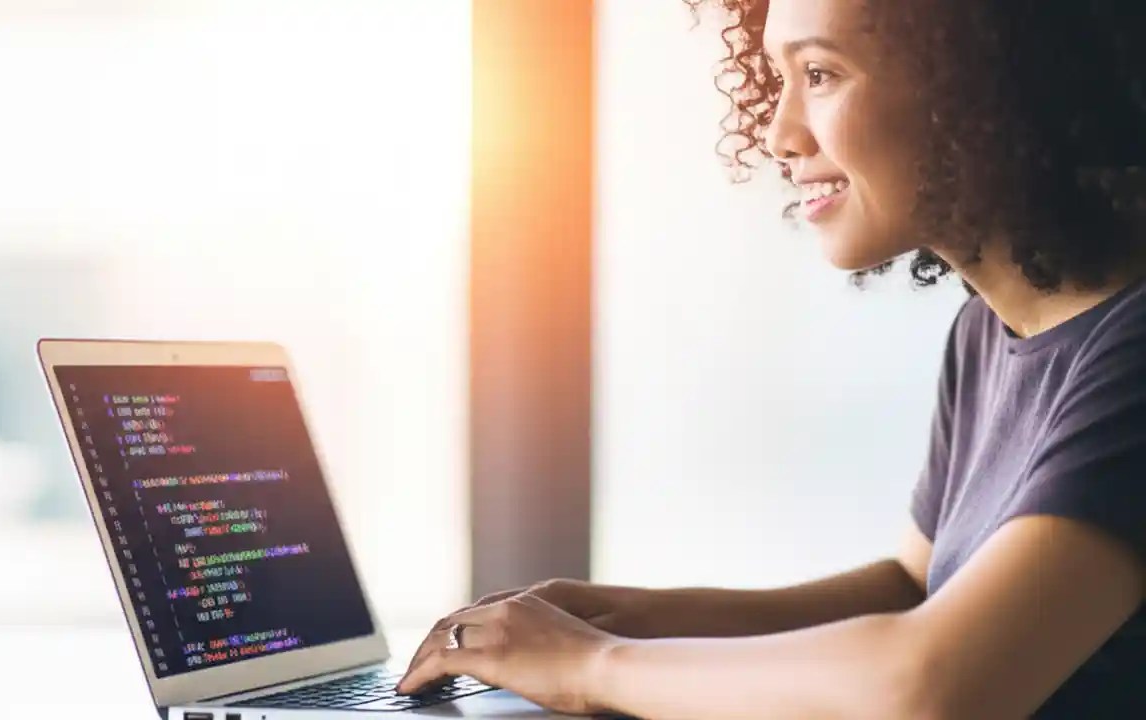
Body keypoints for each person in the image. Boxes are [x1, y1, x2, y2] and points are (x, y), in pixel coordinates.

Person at [397, 0, 1146, 716]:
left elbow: (929, 689)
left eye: (818, 75)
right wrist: (623, 618)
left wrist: (589, 666)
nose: (779, 133)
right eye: (778, 79)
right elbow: (915, 586)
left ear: (982, 80)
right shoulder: (988, 330)